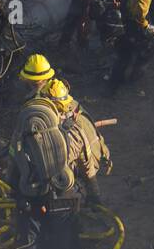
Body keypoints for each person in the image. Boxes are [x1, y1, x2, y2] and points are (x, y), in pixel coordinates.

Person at [7, 80, 89, 249]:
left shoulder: (23, 132)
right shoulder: (70, 133)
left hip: (31, 196)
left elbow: (13, 167)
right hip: (63, 197)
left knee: (30, 240)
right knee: (62, 239)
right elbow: (83, 165)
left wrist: (16, 195)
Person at [44, 78, 112, 206]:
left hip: (65, 177)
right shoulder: (70, 111)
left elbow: (86, 164)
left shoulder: (72, 133)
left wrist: (94, 195)